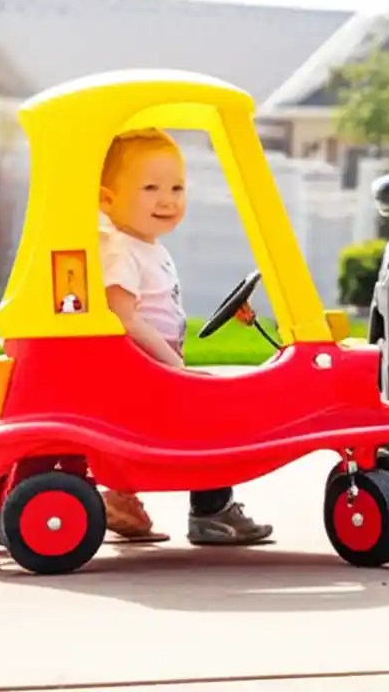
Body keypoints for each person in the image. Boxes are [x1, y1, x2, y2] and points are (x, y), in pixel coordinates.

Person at [96, 127, 273, 546]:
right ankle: (211, 510)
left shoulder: (146, 246)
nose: (167, 199)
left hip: (151, 368)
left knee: (207, 397)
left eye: (177, 187)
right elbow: (122, 317)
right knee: (214, 407)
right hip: (141, 372)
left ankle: (121, 498)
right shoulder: (120, 248)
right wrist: (171, 363)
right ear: (107, 199)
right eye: (151, 187)